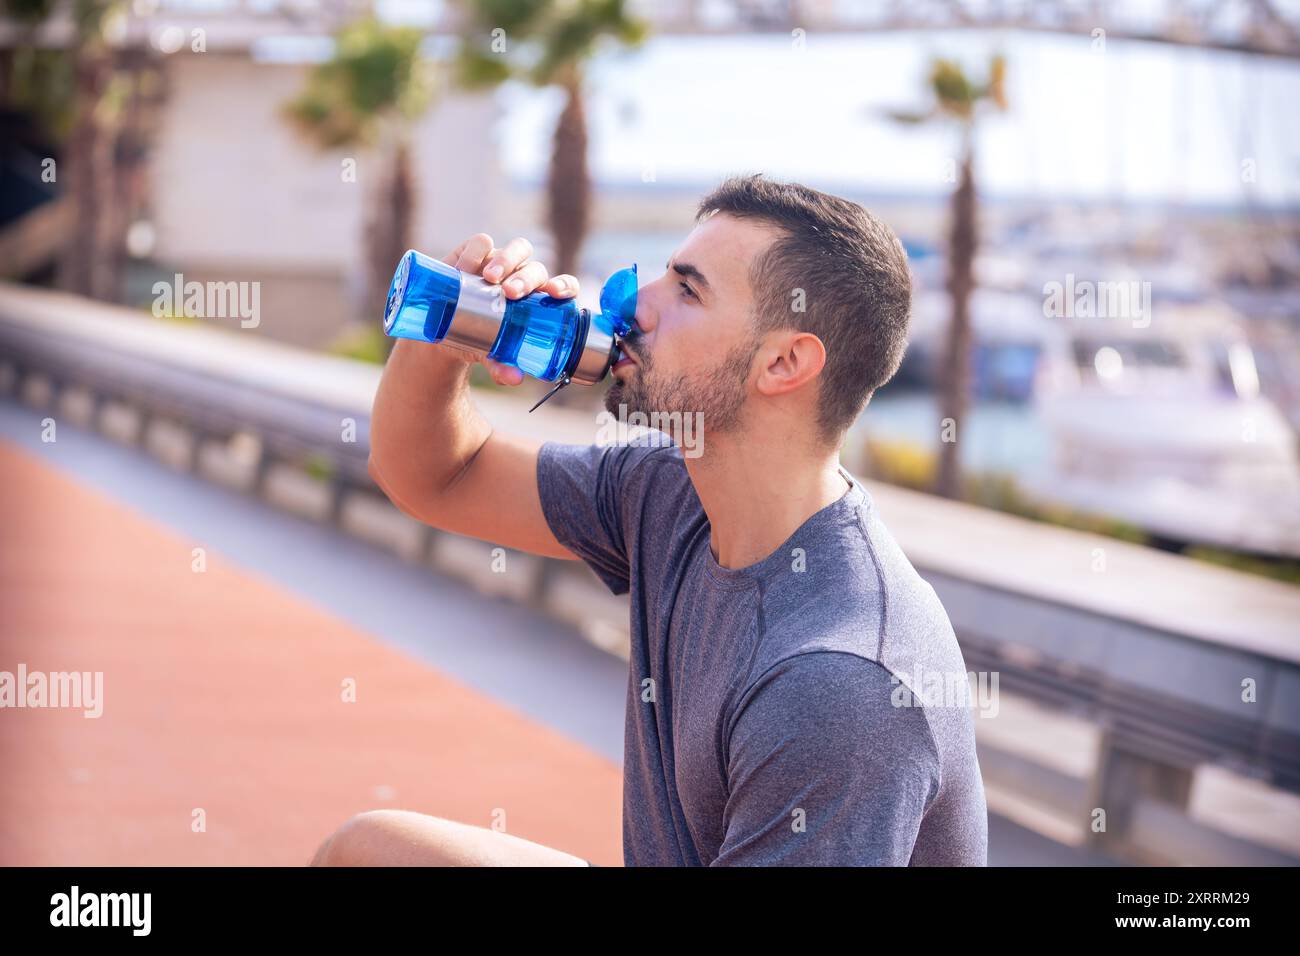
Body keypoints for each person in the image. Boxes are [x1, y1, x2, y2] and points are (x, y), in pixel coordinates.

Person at [311, 173, 988, 867]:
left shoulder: (838, 683)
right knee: (368, 851)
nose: (632, 304)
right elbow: (436, 473)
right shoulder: (671, 490)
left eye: (686, 290)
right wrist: (457, 329)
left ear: (784, 361)